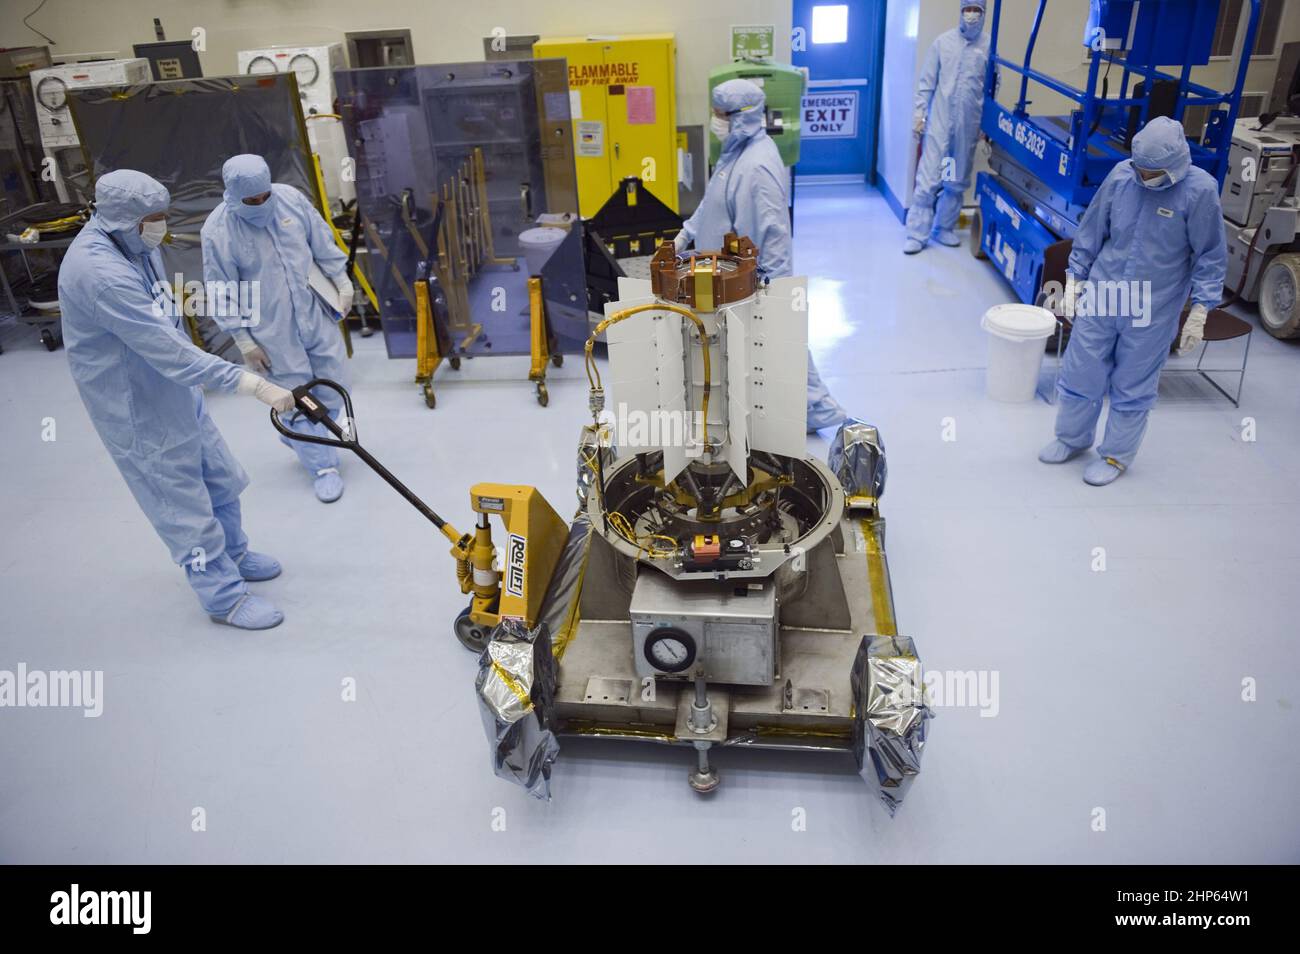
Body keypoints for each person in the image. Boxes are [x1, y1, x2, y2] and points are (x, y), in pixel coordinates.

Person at [61, 169, 294, 630]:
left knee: (220, 477)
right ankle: (223, 598)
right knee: (181, 503)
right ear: (124, 219)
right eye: (155, 218)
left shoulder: (132, 242)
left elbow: (169, 333)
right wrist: (253, 385)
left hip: (173, 386)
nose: (161, 226)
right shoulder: (99, 272)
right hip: (136, 403)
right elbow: (168, 349)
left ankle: (235, 554)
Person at [1038, 116, 1226, 485]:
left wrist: (1200, 310)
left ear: (1175, 165)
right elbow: (1093, 229)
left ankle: (1115, 457)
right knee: (1081, 368)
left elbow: (1210, 255)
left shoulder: (1200, 190)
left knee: (1133, 383)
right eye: (1140, 169)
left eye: (1153, 173)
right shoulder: (1122, 176)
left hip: (1153, 306)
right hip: (1104, 293)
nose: (1145, 177)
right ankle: (1072, 438)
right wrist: (1074, 279)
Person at [674, 78, 848, 432]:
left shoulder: (757, 168)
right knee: (762, 349)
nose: (715, 121)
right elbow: (712, 202)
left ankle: (821, 413)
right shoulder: (736, 152)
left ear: (743, 116)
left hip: (751, 279)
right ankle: (807, 409)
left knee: (780, 343)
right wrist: (686, 235)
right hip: (721, 272)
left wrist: (769, 288)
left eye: (721, 114)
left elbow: (771, 236)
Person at [202, 154, 354, 503]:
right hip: (270, 328)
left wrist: (343, 283)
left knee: (333, 385)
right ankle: (323, 467)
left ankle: (305, 439)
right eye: (251, 200)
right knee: (294, 396)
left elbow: (321, 243)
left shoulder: (290, 199)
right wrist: (242, 339)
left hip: (314, 310)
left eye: (264, 196)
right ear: (232, 195)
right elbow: (220, 288)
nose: (260, 204)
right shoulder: (218, 230)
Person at [905, 1, 990, 254]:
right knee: (930, 176)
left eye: (977, 10)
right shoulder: (943, 43)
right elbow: (926, 82)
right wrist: (919, 114)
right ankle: (916, 234)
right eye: (968, 9)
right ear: (960, 11)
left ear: (984, 13)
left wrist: (987, 124)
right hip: (940, 126)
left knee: (955, 177)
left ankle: (944, 228)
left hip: (967, 128)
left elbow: (991, 88)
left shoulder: (988, 47)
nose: (972, 15)